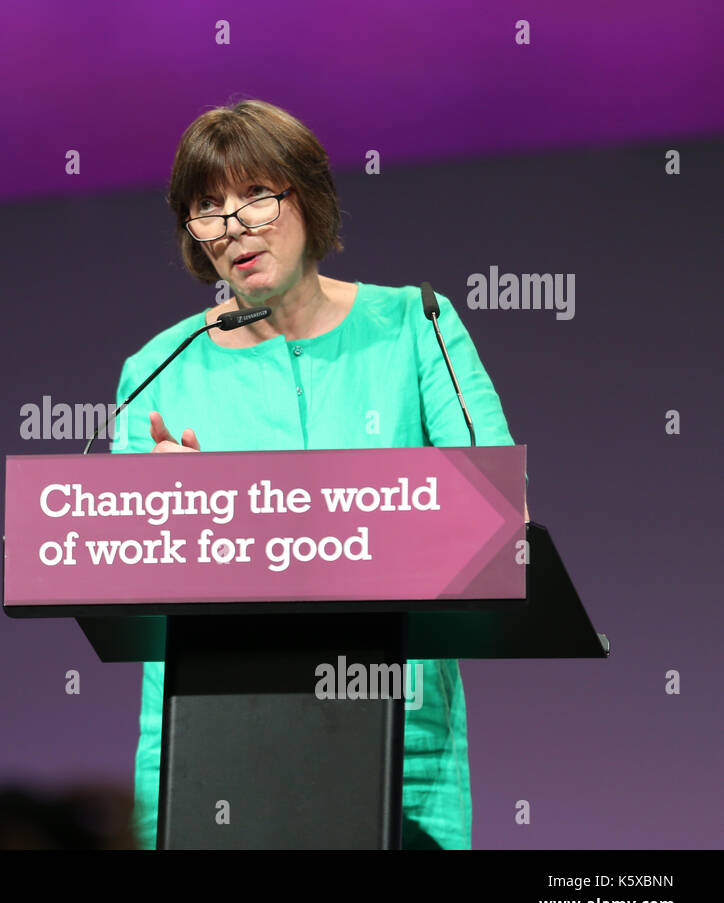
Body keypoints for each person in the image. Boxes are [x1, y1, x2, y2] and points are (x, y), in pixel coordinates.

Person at [111, 99, 528, 850]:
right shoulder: (156, 372)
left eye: (256, 195)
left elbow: (498, 514)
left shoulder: (415, 326)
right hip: (207, 749)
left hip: (401, 740)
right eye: (207, 207)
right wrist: (156, 522)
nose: (233, 224)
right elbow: (114, 576)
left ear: (309, 196)